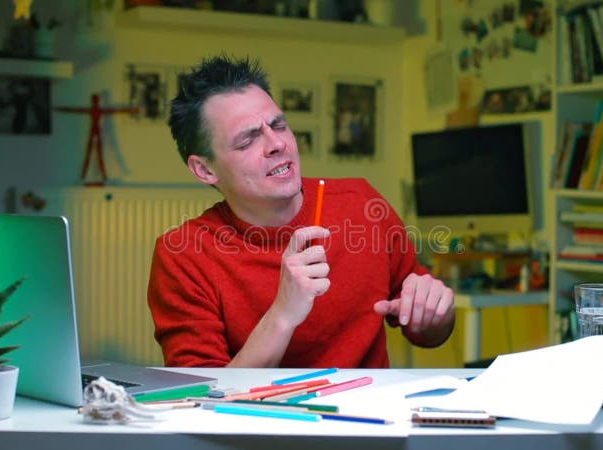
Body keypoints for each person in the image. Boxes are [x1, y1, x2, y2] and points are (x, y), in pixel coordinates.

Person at [148, 55, 455, 368]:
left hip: (369, 412)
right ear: (205, 169)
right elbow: (204, 399)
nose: (276, 143)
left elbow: (430, 333)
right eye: (248, 140)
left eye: (279, 125)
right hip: (261, 418)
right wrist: (283, 313)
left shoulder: (361, 204)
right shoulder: (182, 254)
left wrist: (436, 314)